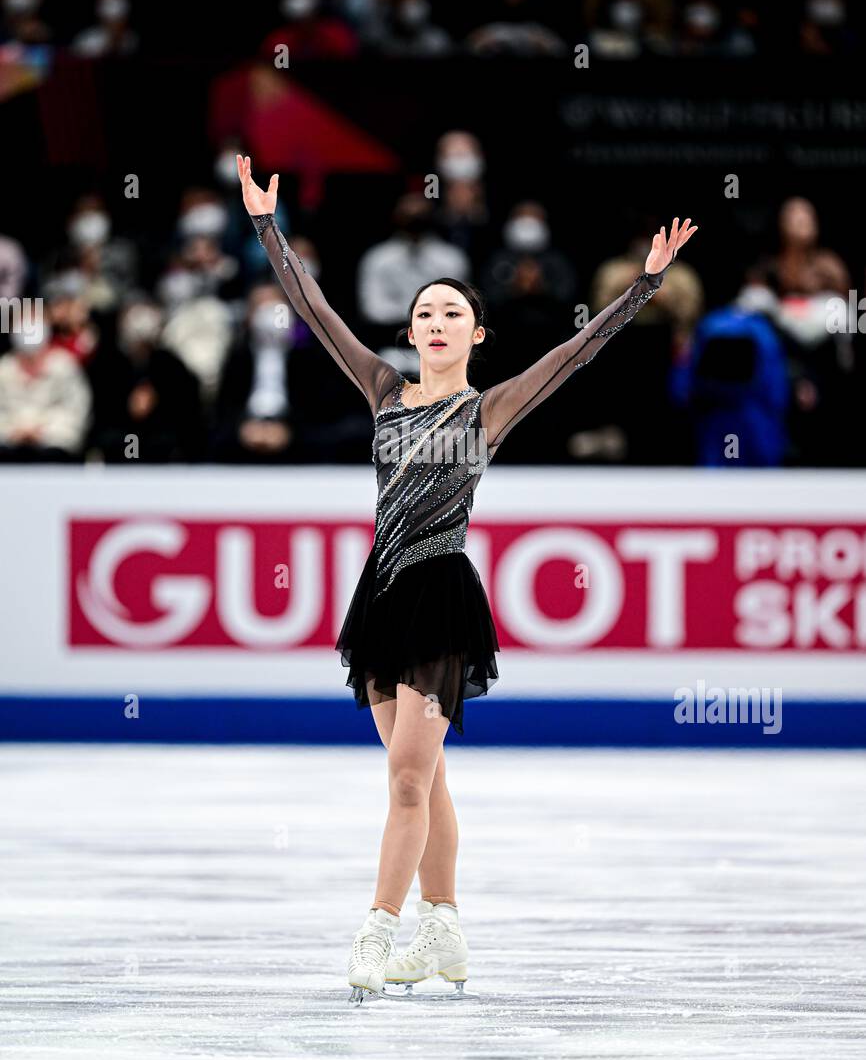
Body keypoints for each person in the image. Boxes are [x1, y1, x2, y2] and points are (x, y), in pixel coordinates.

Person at [237, 153, 697, 1002]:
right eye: (424, 313)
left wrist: (643, 285)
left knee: (410, 778)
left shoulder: (490, 407)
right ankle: (443, 930)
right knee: (424, 776)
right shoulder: (381, 390)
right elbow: (313, 306)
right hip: (379, 596)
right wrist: (267, 226)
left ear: (477, 334)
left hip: (441, 596)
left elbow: (577, 351)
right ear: (410, 333)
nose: (437, 321)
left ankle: (378, 931)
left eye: (453, 312)